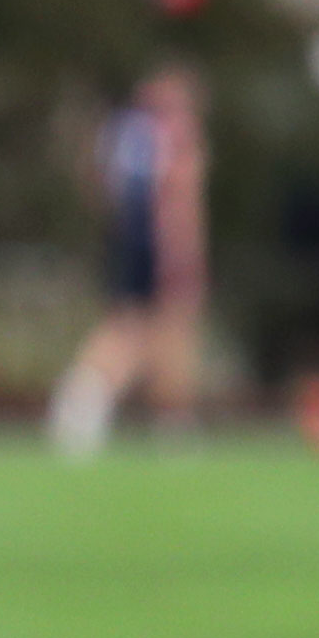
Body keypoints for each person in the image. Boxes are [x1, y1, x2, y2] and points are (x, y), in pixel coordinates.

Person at [44, 63, 206, 456]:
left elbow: (101, 188)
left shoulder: (123, 132)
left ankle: (166, 421)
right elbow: (179, 200)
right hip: (155, 240)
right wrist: (180, 254)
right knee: (151, 327)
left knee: (149, 328)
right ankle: (99, 405)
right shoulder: (173, 133)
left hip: (127, 236)